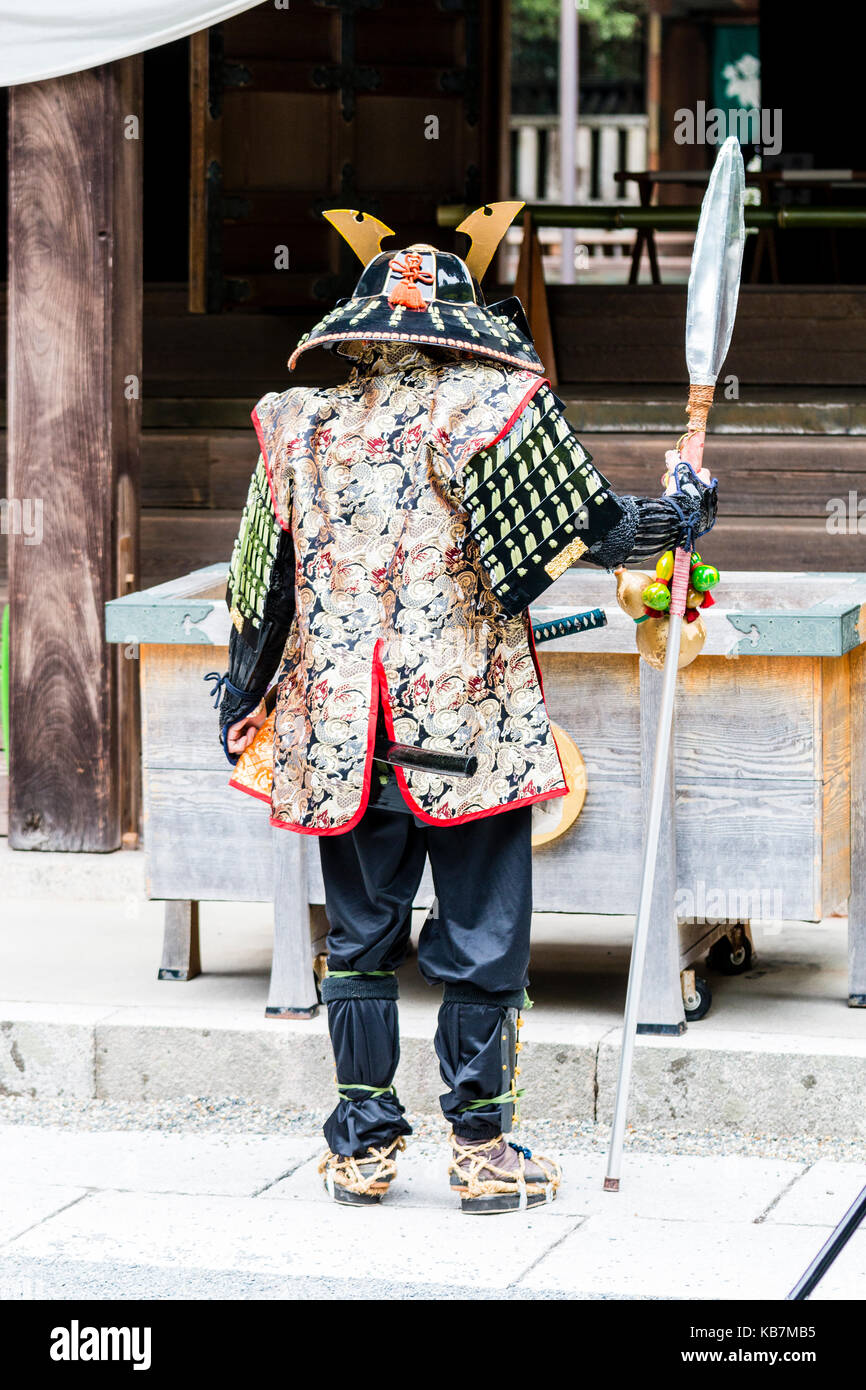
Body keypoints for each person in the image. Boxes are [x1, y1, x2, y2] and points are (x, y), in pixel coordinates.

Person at [214, 206, 716, 1213]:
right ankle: (482, 1152)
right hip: (463, 726)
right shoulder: (494, 408)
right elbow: (601, 531)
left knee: (356, 938)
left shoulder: (295, 425)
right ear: (461, 322)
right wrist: (687, 511)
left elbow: (255, 591)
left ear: (365, 330)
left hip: (336, 734)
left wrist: (238, 701)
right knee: (483, 937)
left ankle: (360, 1144)